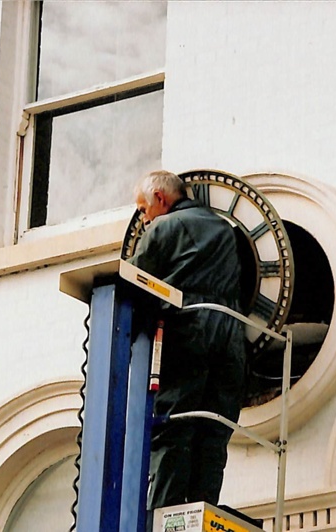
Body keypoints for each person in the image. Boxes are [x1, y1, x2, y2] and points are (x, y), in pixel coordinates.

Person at [128, 170, 246, 521]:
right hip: (230, 338)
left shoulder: (163, 228)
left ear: (161, 199)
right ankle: (199, 515)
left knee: (173, 428)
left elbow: (131, 281)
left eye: (143, 208)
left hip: (186, 331)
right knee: (213, 433)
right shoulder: (223, 230)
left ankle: (161, 518)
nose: (144, 217)